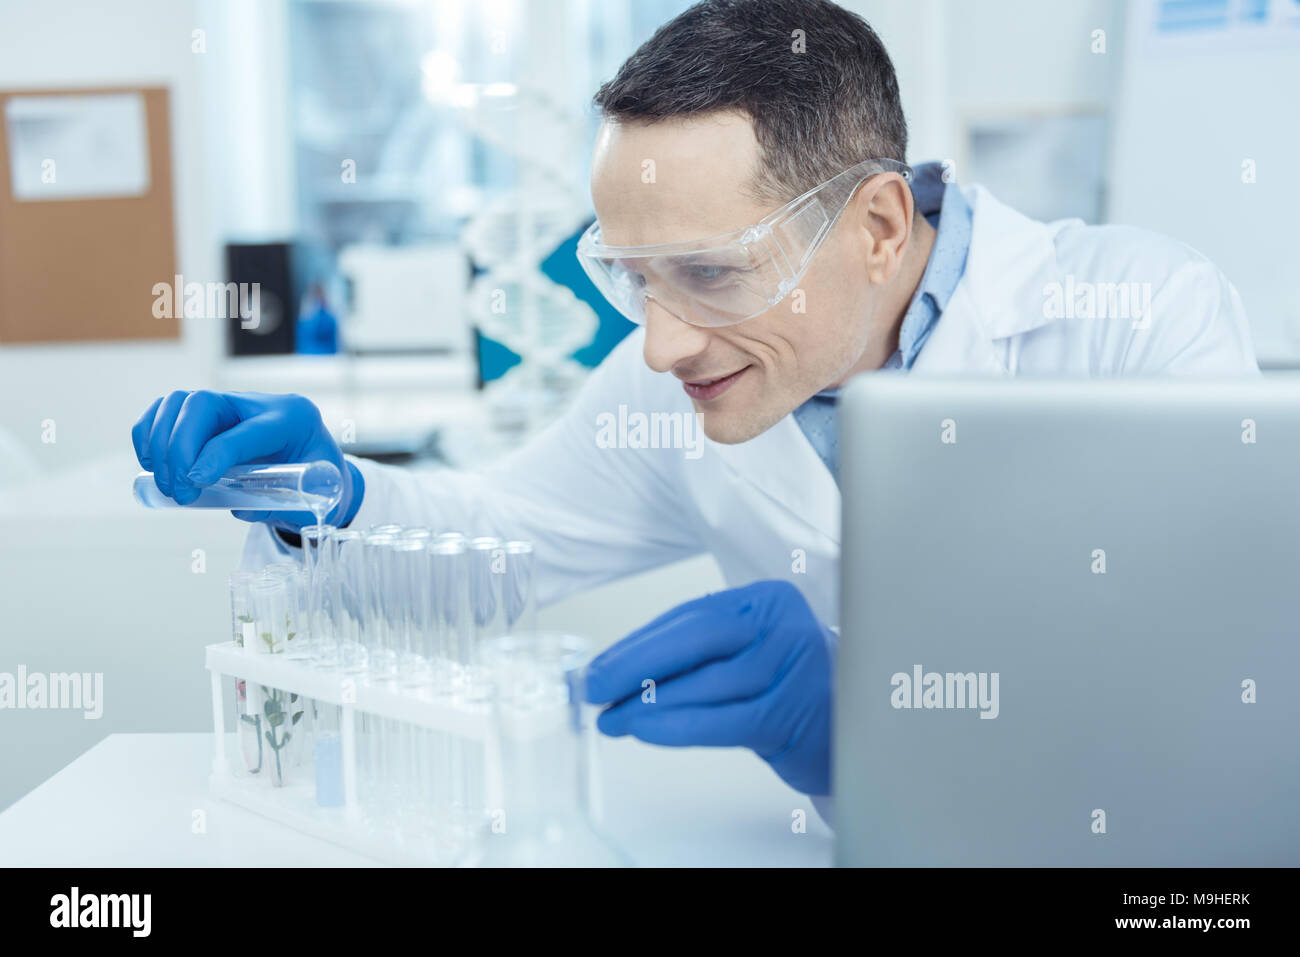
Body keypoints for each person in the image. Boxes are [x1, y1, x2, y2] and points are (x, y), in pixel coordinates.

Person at [131, 0, 1257, 819]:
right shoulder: (682, 371)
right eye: (631, 276)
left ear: (873, 227)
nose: (660, 342)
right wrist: (326, 498)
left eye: (710, 273)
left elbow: (1225, 718)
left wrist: (868, 723)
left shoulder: (1134, 322)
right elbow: (501, 545)